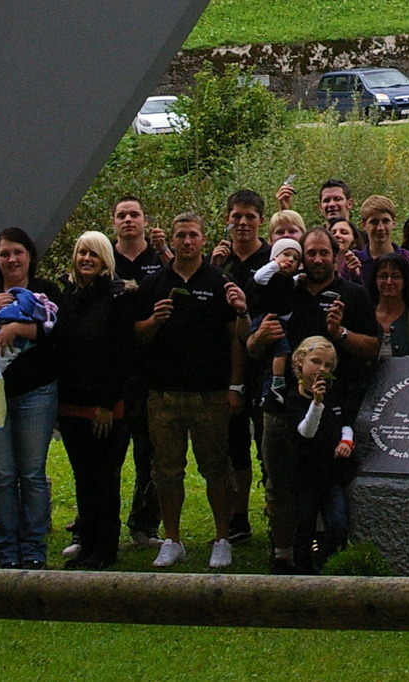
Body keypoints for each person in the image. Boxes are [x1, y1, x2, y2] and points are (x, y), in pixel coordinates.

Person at [247, 228, 380, 572]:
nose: (318, 259)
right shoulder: (285, 290)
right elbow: (252, 346)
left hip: (334, 409)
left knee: (329, 484)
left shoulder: (353, 294)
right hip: (282, 407)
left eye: (324, 253)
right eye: (311, 253)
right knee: (279, 482)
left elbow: (372, 348)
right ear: (301, 255)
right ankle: (283, 552)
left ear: (336, 254)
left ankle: (329, 553)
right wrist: (259, 337)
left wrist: (341, 334)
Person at [133, 213, 247, 570]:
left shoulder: (219, 282)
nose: (186, 241)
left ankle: (222, 538)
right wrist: (155, 320)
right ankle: (173, 539)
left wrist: (234, 385)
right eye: (180, 235)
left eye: (192, 235)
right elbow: (136, 334)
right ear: (172, 239)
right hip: (163, 393)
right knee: (166, 470)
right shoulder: (154, 283)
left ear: (203, 240)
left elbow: (235, 338)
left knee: (215, 468)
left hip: (209, 394)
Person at [0, 227, 60, 569]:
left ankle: (33, 548)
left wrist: (19, 329)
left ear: (30, 255)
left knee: (32, 474)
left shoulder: (45, 291)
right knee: (2, 475)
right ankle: (6, 550)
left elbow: (58, 334)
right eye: (4, 254)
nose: (11, 259)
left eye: (17, 252)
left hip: (37, 395)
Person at [52, 232, 136, 570]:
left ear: (105, 261)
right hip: (71, 403)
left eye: (94, 255)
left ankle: (105, 548)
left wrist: (106, 403)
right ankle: (86, 544)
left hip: (104, 406)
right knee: (83, 478)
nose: (86, 259)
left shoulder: (117, 298)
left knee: (104, 478)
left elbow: (122, 355)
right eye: (81, 252)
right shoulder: (66, 297)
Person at [209, 189, 271, 546]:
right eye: (236, 216)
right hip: (227, 368)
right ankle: (238, 517)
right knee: (233, 448)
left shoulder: (272, 257)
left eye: (249, 216)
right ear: (227, 219)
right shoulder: (219, 261)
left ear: (260, 220)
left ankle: (274, 511)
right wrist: (215, 268)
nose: (243, 222)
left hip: (263, 366)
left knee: (267, 444)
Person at [262, 335, 355, 572]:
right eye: (316, 362)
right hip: (305, 476)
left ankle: (328, 565)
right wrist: (316, 402)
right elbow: (306, 432)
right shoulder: (295, 398)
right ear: (300, 364)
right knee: (304, 526)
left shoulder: (335, 391)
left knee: (338, 525)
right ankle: (303, 571)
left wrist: (346, 441)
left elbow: (345, 421)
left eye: (327, 366)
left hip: (332, 475)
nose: (321, 369)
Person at [107, 196, 164, 551]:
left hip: (151, 373)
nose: (129, 220)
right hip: (111, 373)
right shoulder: (101, 258)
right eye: (122, 215)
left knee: (151, 455)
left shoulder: (158, 261)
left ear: (145, 220)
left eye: (134, 214)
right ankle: (94, 526)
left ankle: (146, 524)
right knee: (106, 457)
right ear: (113, 222)